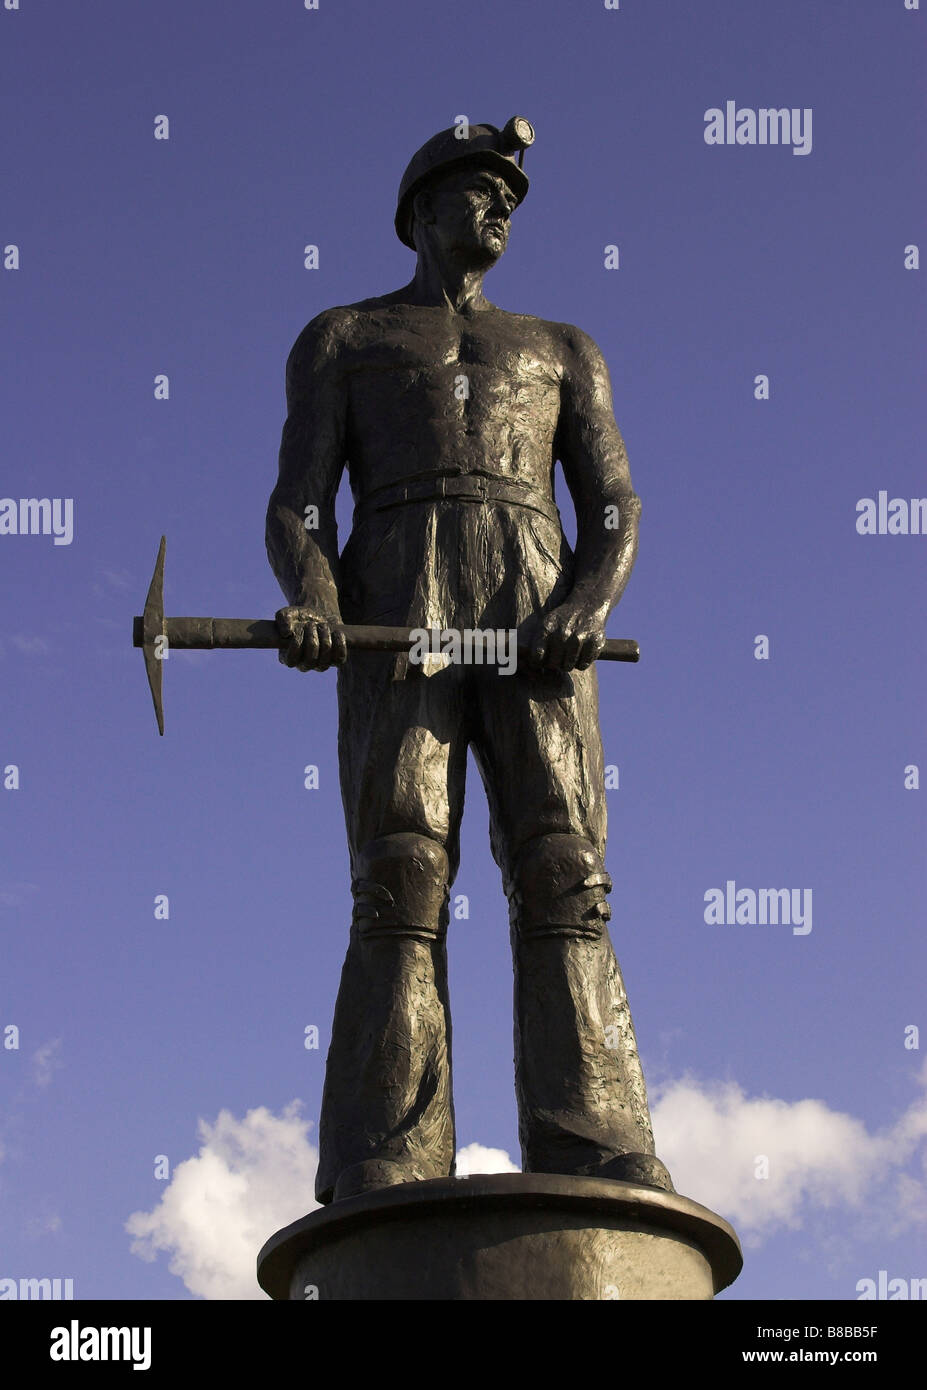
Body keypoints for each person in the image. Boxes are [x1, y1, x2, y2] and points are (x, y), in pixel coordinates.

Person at [266, 118, 674, 1204]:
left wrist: (589, 597)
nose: (499, 209)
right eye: (480, 189)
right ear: (420, 208)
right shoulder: (346, 337)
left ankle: (596, 1140)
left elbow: (617, 504)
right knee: (400, 874)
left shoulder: (561, 348)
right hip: (398, 596)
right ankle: (384, 1154)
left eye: (511, 196)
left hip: (533, 603)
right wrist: (312, 593)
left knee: (564, 871)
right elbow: (300, 502)